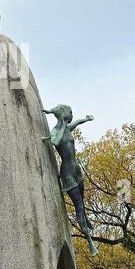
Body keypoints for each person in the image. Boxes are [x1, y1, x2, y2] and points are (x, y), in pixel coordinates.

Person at [44, 104, 98, 256]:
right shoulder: (56, 131)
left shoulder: (67, 128)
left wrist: (86, 119)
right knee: (78, 206)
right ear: (63, 114)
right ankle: (90, 243)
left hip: (76, 170)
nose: (72, 114)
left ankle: (85, 219)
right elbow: (55, 142)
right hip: (67, 173)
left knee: (82, 199)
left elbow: (77, 122)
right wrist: (61, 124)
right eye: (70, 112)